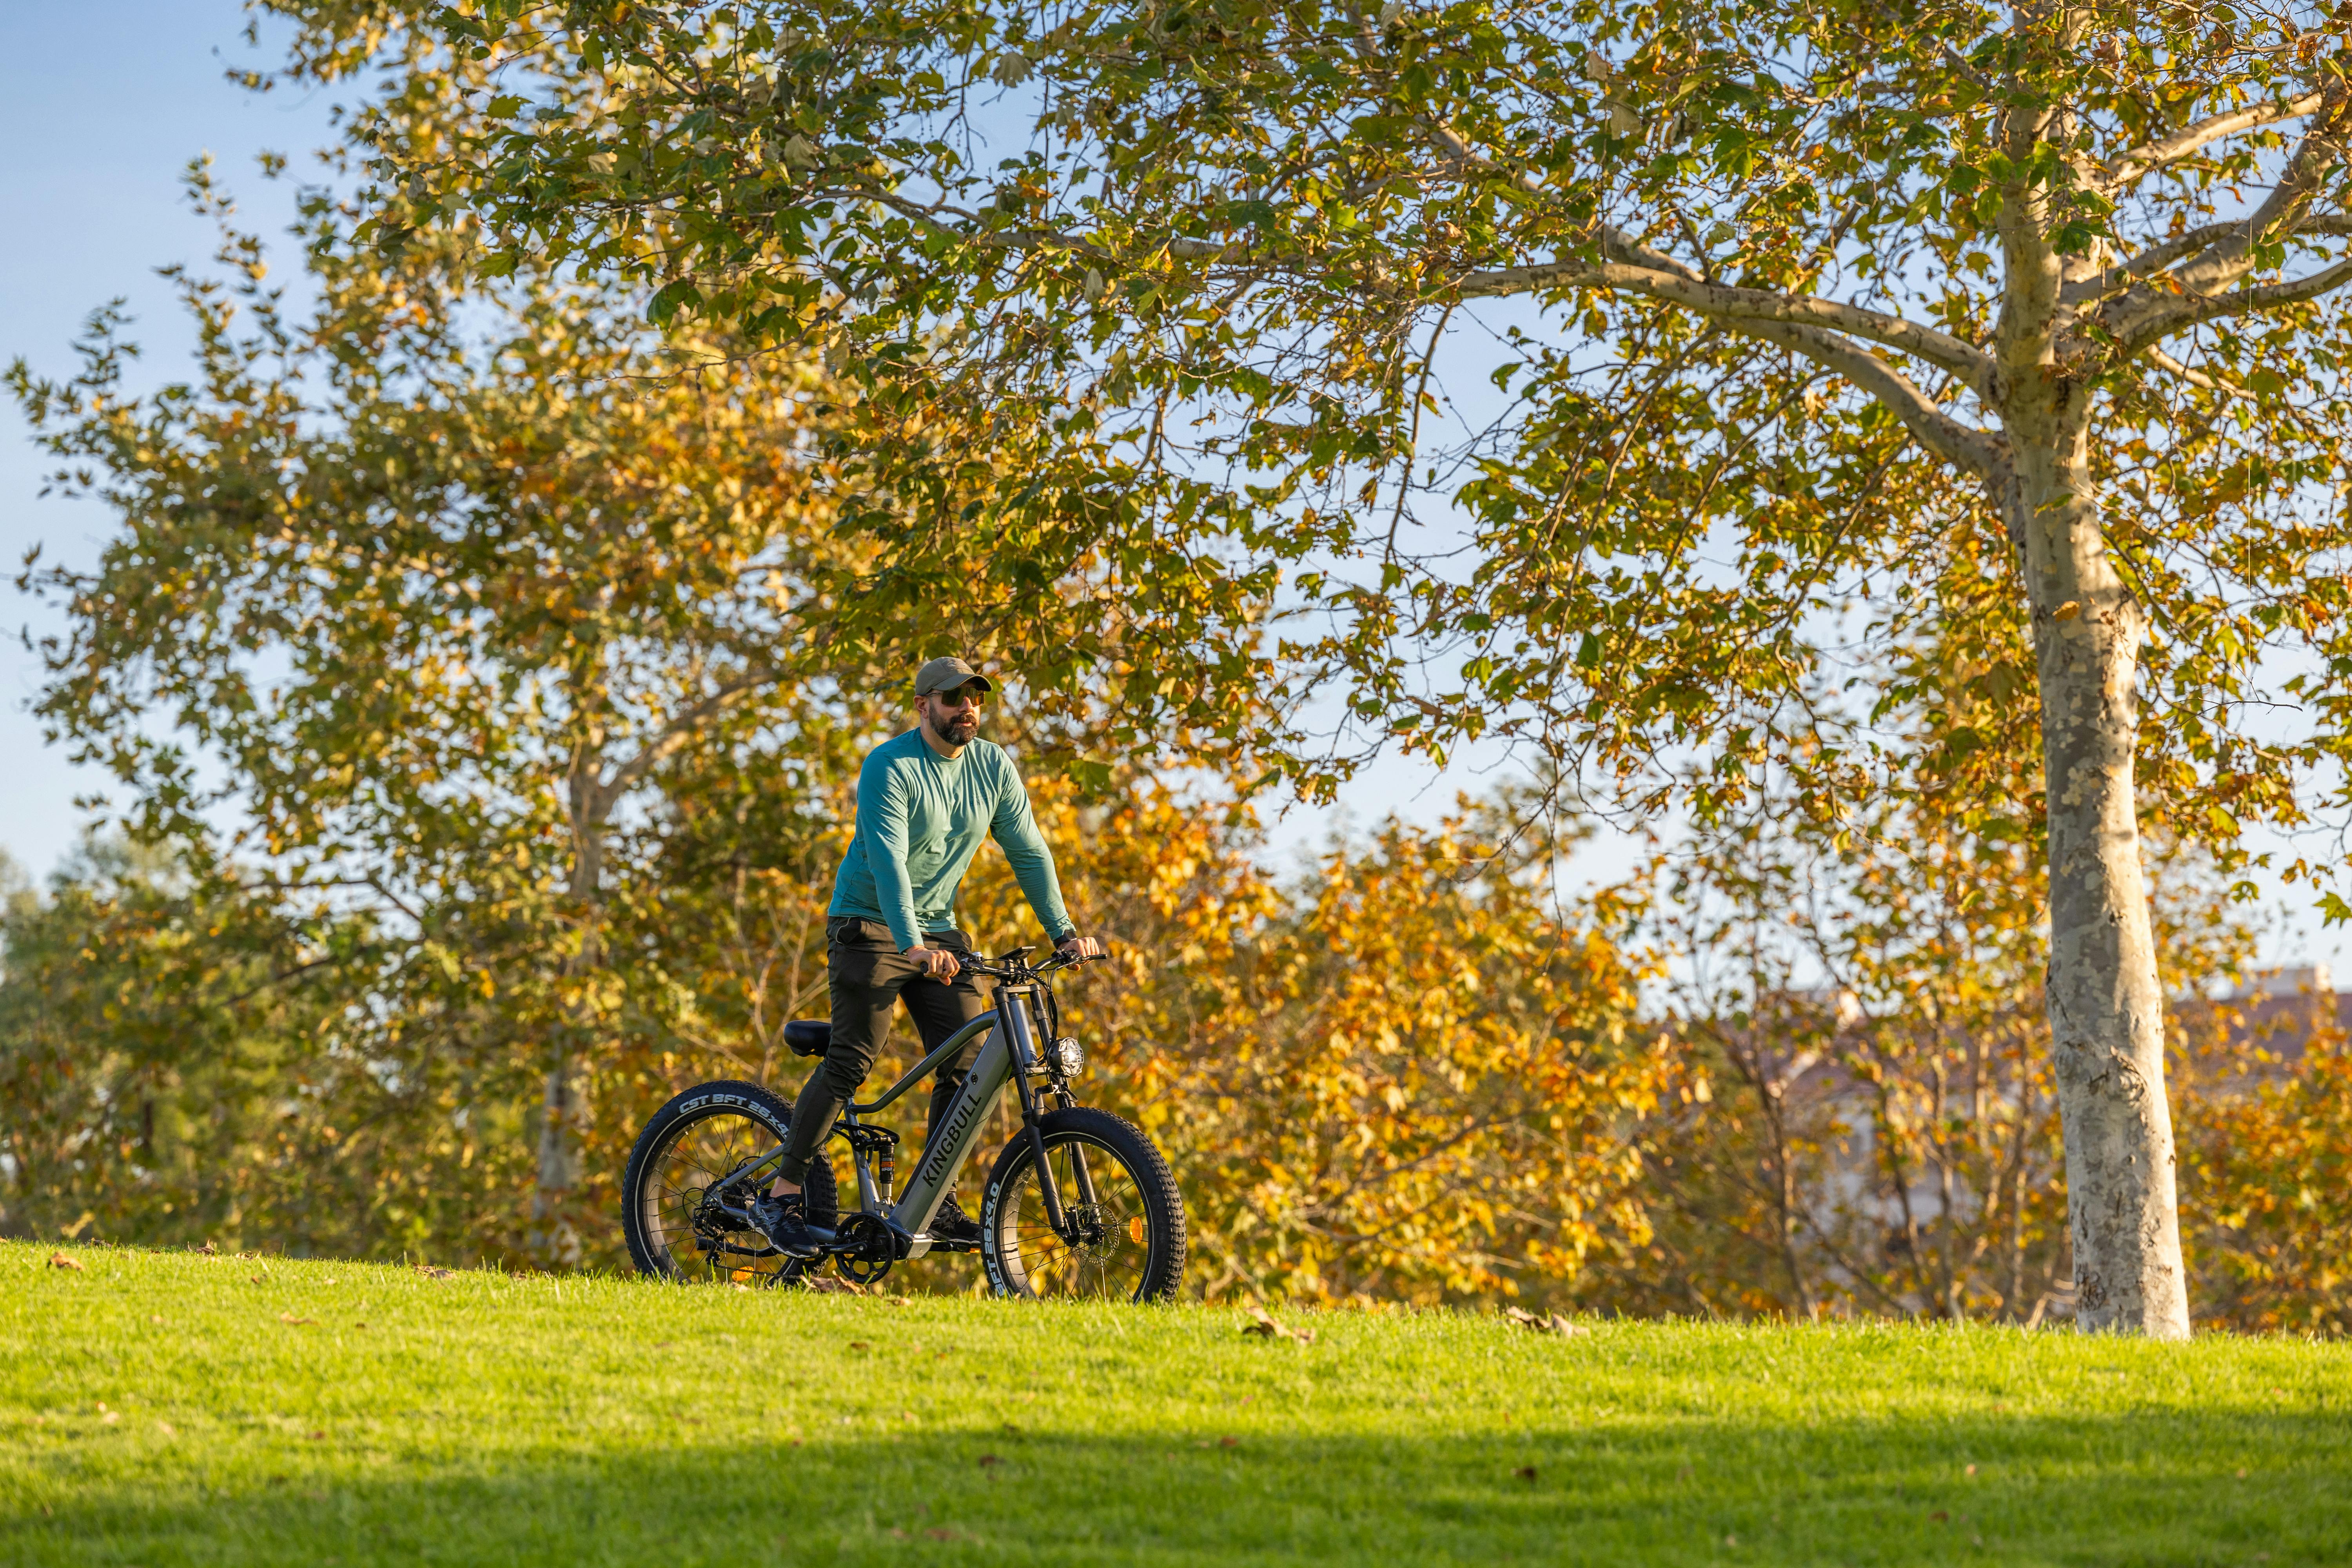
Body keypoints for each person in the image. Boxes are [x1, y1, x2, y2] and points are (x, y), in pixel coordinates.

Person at [752, 656, 1103, 1255]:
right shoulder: (890, 766)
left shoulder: (992, 766)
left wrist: (1063, 932)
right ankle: (781, 1194)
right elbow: (887, 858)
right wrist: (910, 943)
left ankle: (937, 1201)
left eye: (974, 698)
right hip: (868, 923)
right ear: (923, 706)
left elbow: (1029, 851)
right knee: (853, 1058)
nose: (966, 708)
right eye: (951, 698)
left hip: (938, 931)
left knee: (970, 1061)